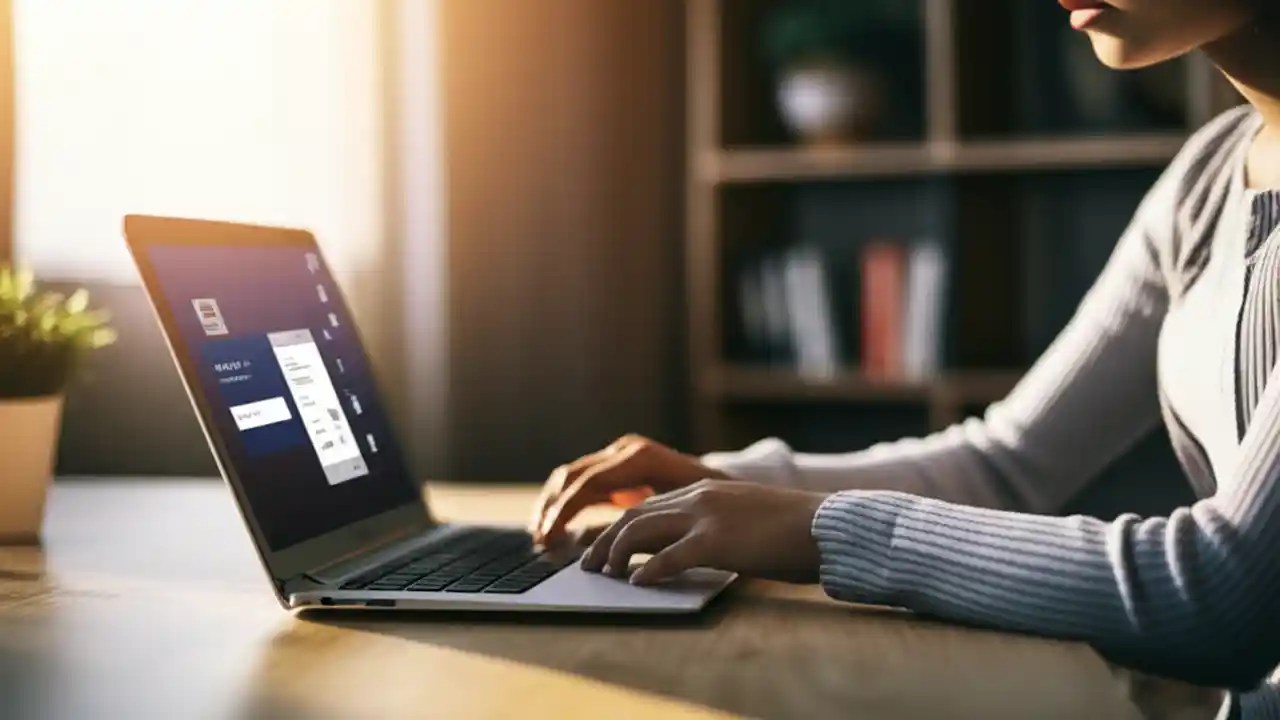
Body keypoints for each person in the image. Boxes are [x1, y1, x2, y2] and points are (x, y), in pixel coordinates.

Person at [532, 0, 1280, 716]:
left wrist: (819, 530)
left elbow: (1223, 596)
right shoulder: (1208, 179)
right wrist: (726, 485)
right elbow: (1005, 465)